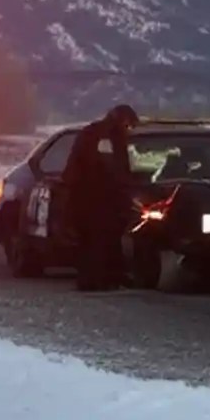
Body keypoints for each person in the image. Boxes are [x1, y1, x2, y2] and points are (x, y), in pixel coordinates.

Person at [61, 104, 140, 291]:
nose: (129, 130)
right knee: (98, 239)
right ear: (121, 120)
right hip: (96, 198)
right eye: (128, 125)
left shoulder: (99, 134)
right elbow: (108, 167)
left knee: (95, 240)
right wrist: (123, 189)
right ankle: (97, 280)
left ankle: (101, 279)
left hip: (90, 197)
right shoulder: (104, 137)